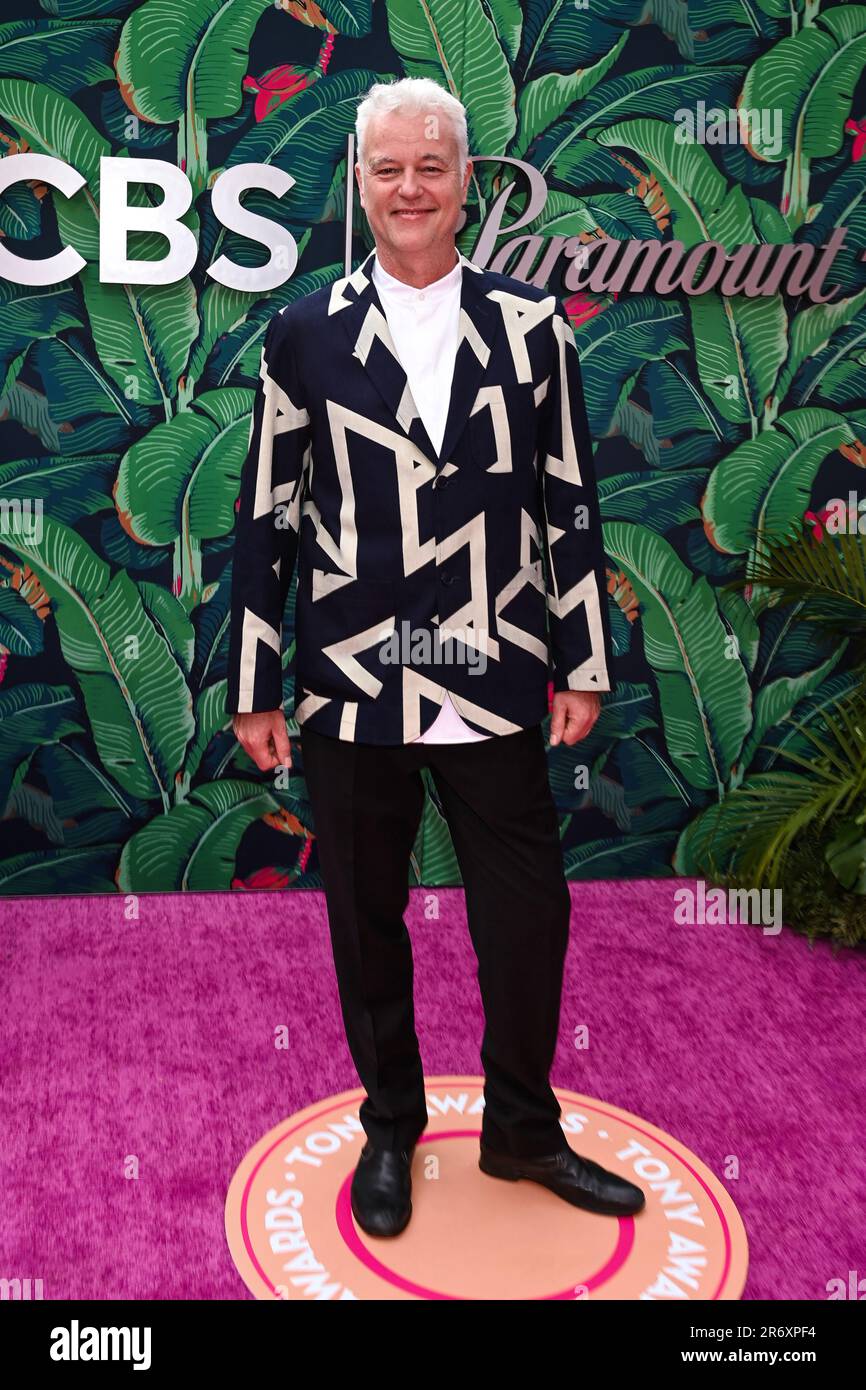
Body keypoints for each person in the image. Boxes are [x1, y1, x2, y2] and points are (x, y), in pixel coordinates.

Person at [227, 77, 645, 1237]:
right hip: (351, 681)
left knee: (526, 912)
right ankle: (390, 1124)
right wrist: (256, 682)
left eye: (429, 166)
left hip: (493, 665)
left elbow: (570, 501)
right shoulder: (301, 330)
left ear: (467, 181)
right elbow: (266, 513)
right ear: (357, 184)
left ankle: (519, 1126)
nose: (407, 188)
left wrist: (581, 661)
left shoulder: (530, 328)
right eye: (385, 169)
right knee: (364, 913)